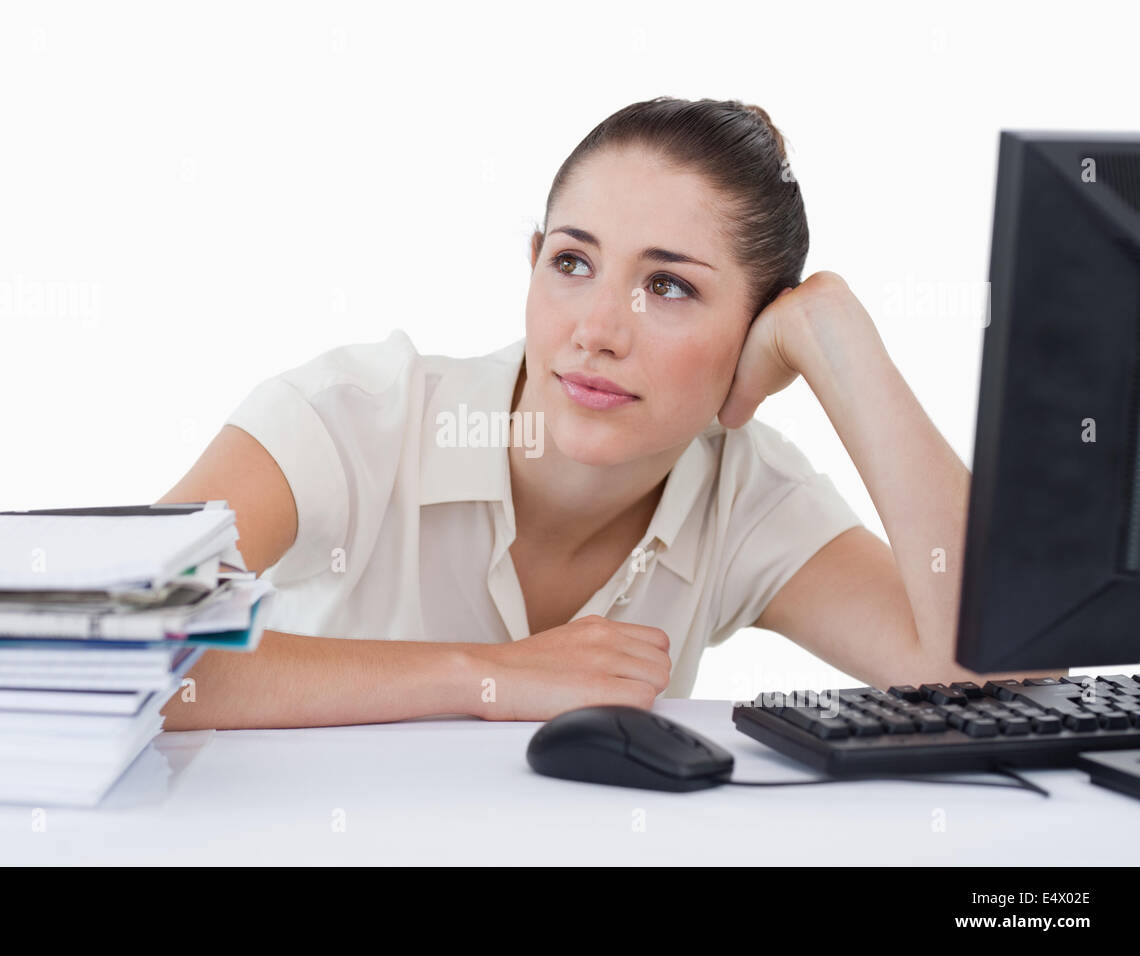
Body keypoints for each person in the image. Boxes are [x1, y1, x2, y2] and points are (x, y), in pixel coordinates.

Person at [158, 96, 1058, 731]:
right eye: (573, 262)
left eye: (667, 286)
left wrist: (839, 345)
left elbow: (997, 678)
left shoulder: (746, 495)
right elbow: (124, 650)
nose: (595, 331)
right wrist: (494, 679)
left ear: (753, 333)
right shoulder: (349, 419)